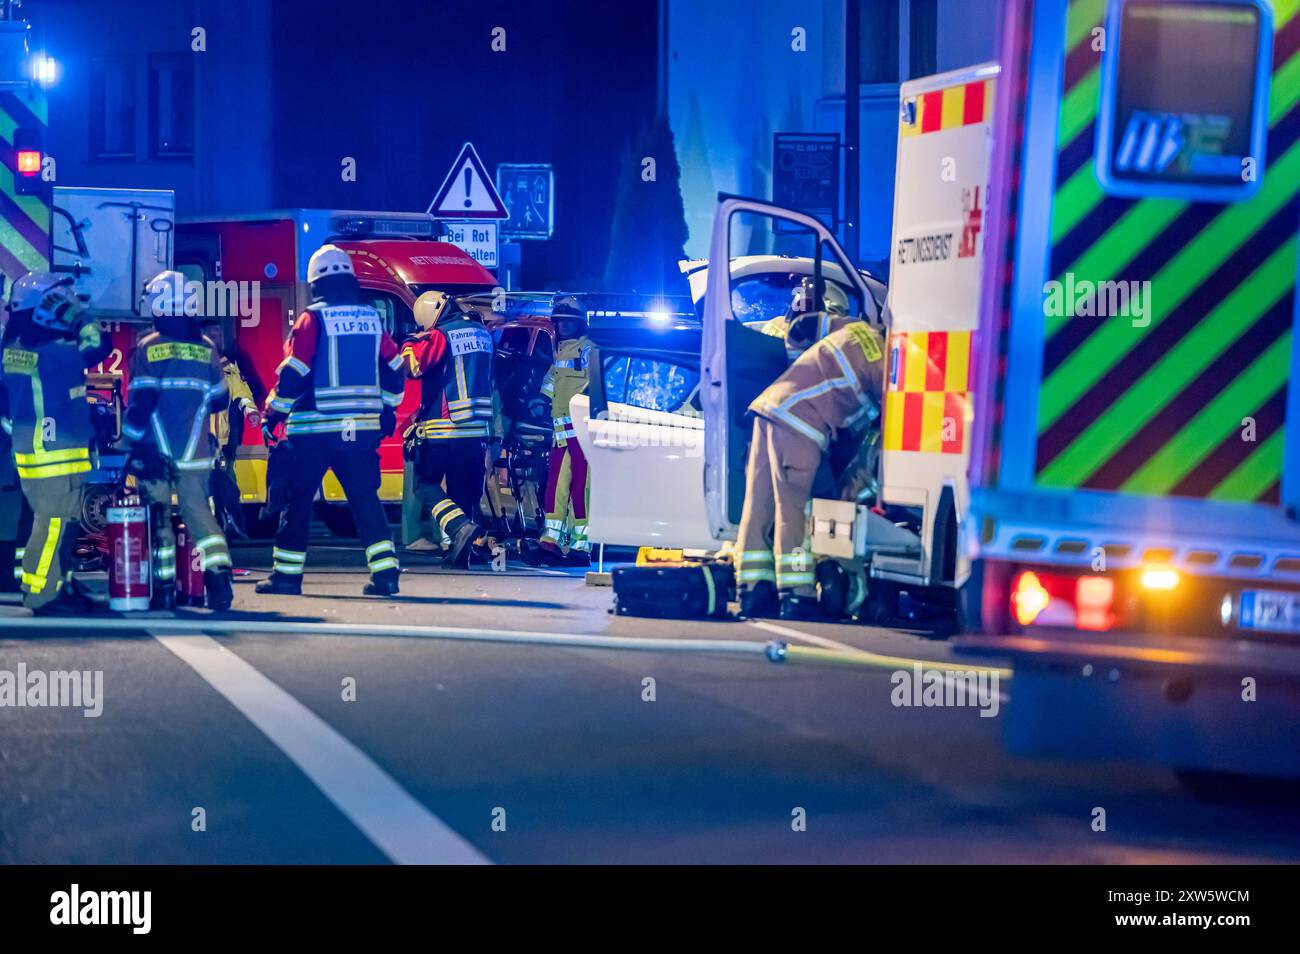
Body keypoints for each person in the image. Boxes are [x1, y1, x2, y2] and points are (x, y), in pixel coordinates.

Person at [256, 244, 403, 596]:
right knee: (365, 500)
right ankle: (386, 574)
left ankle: (287, 577)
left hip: (314, 431)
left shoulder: (312, 318)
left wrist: (273, 412)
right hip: (363, 431)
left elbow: (295, 373)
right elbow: (395, 368)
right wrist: (387, 409)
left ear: (315, 283)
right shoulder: (371, 318)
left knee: (299, 501)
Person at [736, 319, 886, 620]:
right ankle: (797, 595)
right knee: (796, 512)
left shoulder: (855, 328)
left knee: (758, 509)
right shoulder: (885, 363)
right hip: (800, 425)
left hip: (768, 409)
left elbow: (801, 328)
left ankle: (752, 589)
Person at [122, 271, 235, 611]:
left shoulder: (148, 347)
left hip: (157, 452)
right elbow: (219, 399)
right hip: (196, 453)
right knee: (201, 517)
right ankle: (219, 582)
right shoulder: (207, 348)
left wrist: (128, 443)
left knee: (158, 520)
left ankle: (166, 589)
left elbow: (141, 404)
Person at [0, 273, 110, 614]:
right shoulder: (51, 353)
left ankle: (60, 585)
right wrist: (76, 317)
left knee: (62, 524)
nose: (69, 305)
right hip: (52, 455)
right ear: (45, 309)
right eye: (61, 301)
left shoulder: (18, 348)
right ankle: (42, 594)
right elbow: (98, 346)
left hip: (53, 453)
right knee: (51, 526)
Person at [399, 290, 494, 567]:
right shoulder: (483, 334)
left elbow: (413, 366)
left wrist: (409, 342)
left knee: (424, 484)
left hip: (445, 429)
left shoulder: (440, 335)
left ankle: (458, 529)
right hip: (477, 431)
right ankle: (462, 550)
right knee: (462, 491)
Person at [537, 295, 594, 566]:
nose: (562, 326)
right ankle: (551, 541)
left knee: (581, 489)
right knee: (556, 489)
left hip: (582, 434)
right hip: (561, 435)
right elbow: (551, 384)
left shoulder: (589, 351)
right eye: (559, 322)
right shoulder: (559, 353)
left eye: (569, 322)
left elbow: (596, 389)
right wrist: (537, 401)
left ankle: (580, 547)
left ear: (580, 324)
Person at [200, 316, 258, 539]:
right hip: (200, 439)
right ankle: (216, 528)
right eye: (211, 335)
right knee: (207, 484)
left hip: (222, 440)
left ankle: (228, 524)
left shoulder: (228, 367)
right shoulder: (196, 365)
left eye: (218, 335)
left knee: (226, 483)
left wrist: (250, 411)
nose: (216, 339)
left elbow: (242, 394)